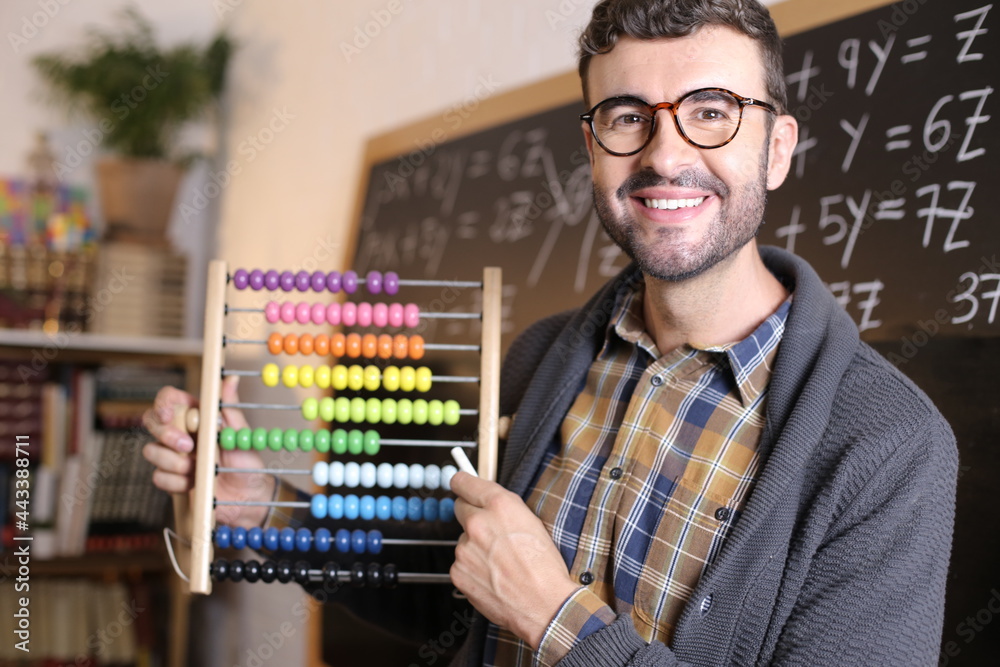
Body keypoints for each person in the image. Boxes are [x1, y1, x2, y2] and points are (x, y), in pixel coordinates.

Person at [144, 1, 958, 665]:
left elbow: (525, 600)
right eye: (627, 115)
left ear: (777, 149)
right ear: (592, 149)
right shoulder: (545, 358)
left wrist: (558, 619)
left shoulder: (889, 447)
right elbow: (464, 599)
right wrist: (269, 513)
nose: (665, 153)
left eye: (712, 112)